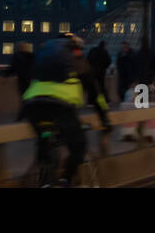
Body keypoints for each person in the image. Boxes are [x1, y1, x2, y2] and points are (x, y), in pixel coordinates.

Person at [19, 35, 109, 186]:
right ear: (76, 49)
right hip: (60, 108)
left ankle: (44, 175)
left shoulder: (44, 59)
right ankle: (64, 180)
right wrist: (104, 117)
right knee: (78, 146)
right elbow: (95, 93)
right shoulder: (78, 61)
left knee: (44, 142)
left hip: (32, 105)